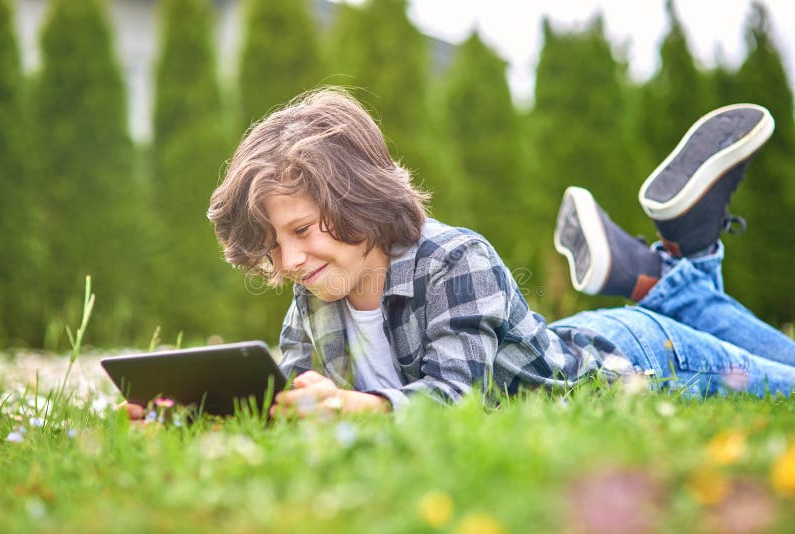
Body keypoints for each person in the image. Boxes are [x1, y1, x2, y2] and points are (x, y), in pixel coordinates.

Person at [203, 87, 795, 418]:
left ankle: (667, 279)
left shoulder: (455, 260)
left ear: (357, 199)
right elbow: (289, 408)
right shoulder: (313, 300)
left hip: (638, 362)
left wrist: (353, 408)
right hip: (577, 336)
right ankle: (670, 272)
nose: (290, 261)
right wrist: (180, 412)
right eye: (275, 245)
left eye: (302, 230)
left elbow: (459, 398)